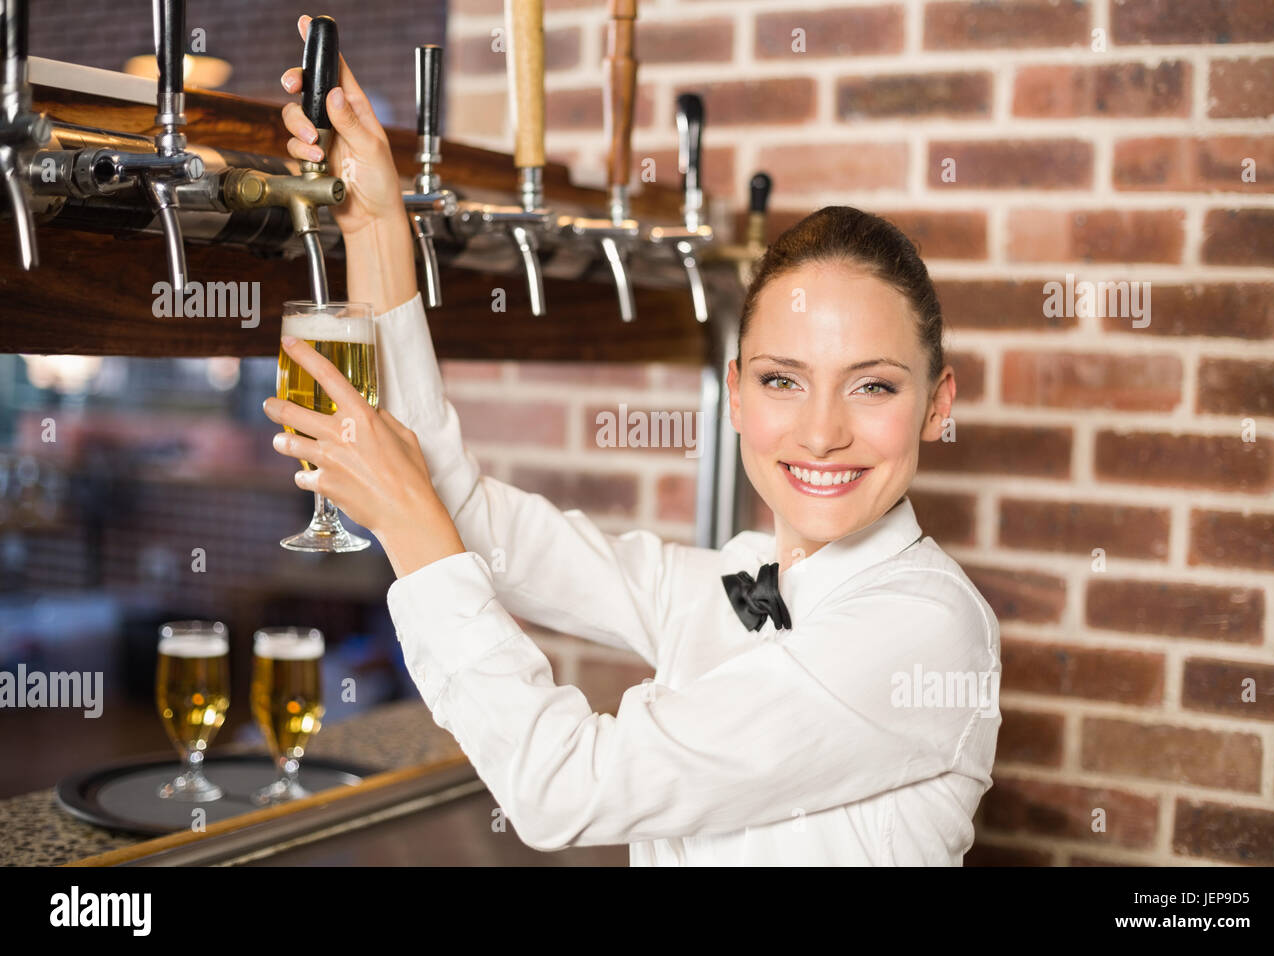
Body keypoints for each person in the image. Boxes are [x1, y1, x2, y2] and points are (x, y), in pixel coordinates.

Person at [262, 15, 1001, 865]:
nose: (822, 432)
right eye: (781, 380)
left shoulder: (925, 633)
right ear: (733, 396)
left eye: (873, 385)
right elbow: (456, 507)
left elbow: (564, 788)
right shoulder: (739, 579)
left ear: (938, 405)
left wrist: (406, 523)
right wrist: (375, 226)